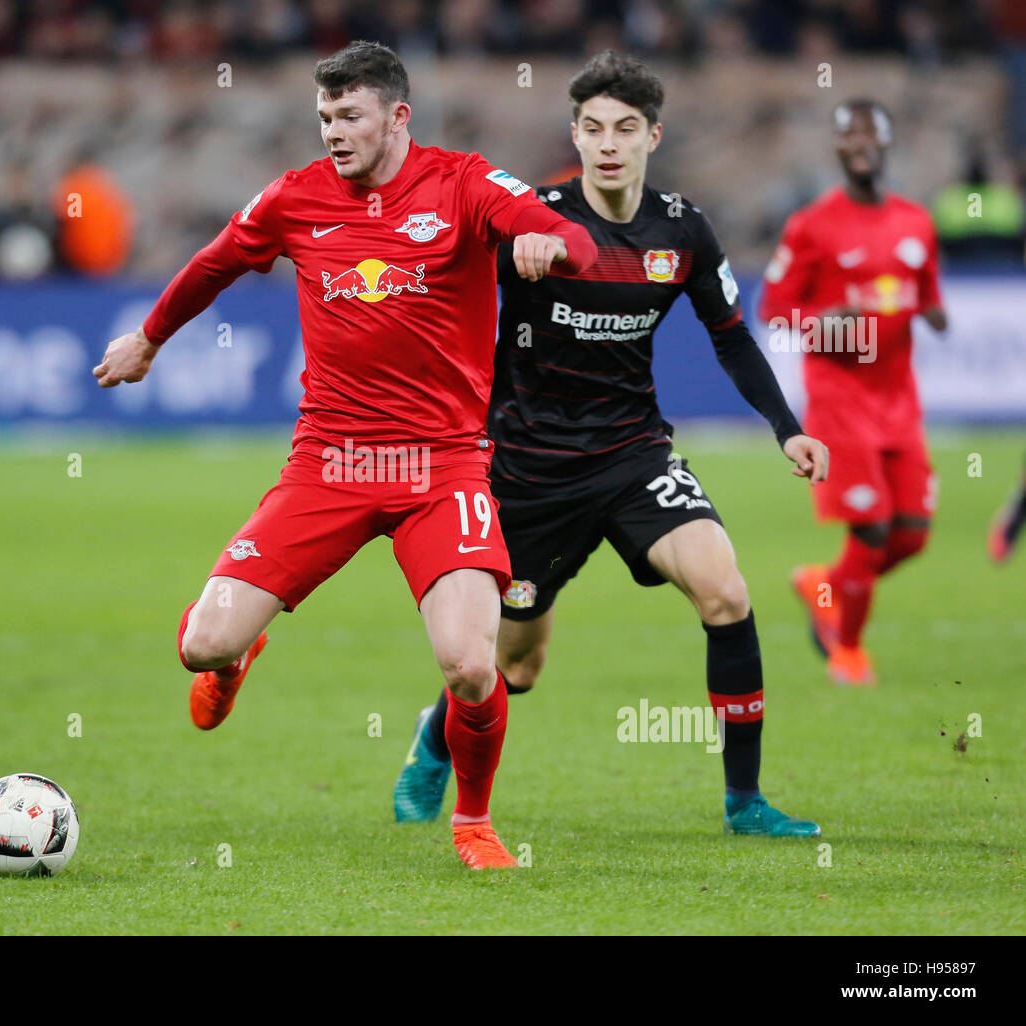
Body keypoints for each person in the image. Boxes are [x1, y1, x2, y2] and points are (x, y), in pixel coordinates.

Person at [92, 41, 597, 870]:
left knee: (472, 665)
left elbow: (564, 234)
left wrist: (548, 248)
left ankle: (473, 824)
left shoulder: (464, 183)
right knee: (202, 646)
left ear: (397, 117)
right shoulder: (297, 198)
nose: (332, 131)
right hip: (330, 462)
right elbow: (217, 262)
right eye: (324, 116)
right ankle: (240, 652)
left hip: (442, 468)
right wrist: (149, 340)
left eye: (349, 116)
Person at [393, 51, 826, 838]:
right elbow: (442, 277)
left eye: (625, 129)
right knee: (512, 667)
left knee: (726, 591)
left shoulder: (682, 229)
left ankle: (745, 802)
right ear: (576, 135)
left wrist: (787, 428)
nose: (608, 144)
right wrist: (509, 251)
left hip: (633, 457)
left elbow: (731, 337)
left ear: (652, 136)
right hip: (526, 471)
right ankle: (433, 738)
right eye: (593, 129)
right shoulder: (533, 216)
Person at [760, 99, 947, 686]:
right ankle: (848, 649)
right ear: (838, 148)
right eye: (849, 136)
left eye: (872, 133)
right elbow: (775, 309)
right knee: (870, 528)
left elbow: (927, 294)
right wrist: (823, 321)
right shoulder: (812, 224)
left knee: (911, 535)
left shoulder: (916, 221)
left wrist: (933, 313)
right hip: (839, 398)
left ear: (888, 142)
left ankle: (821, 584)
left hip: (898, 399)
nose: (862, 144)